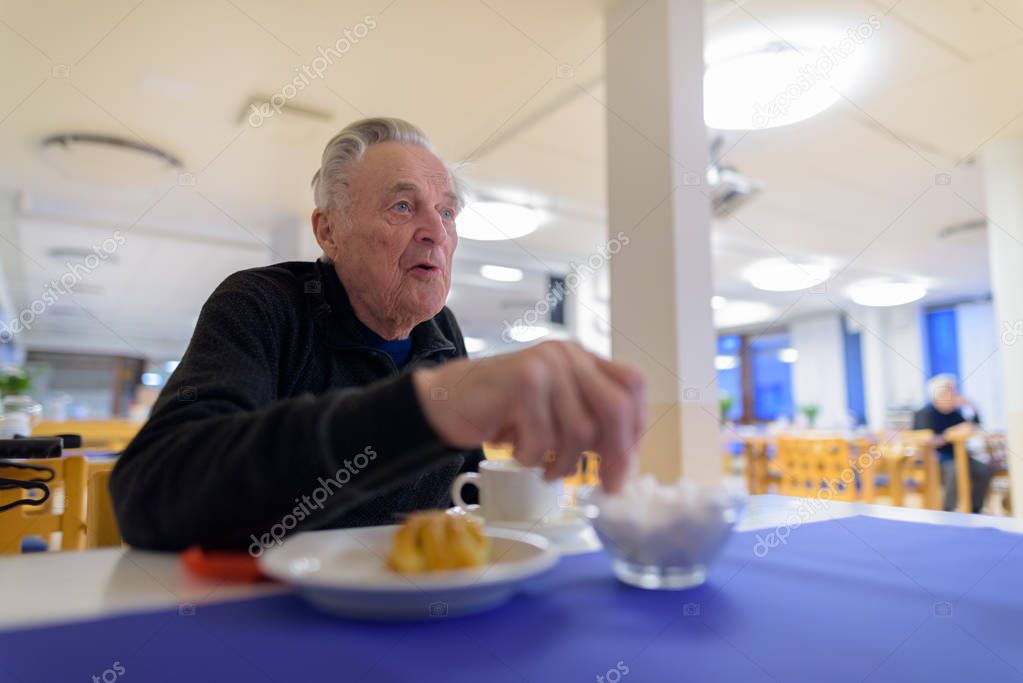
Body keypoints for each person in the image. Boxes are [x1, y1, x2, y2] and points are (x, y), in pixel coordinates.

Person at [110, 117, 645, 550]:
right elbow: (154, 489)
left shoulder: (441, 330)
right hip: (282, 614)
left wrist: (533, 498)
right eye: (402, 207)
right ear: (329, 231)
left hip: (426, 605)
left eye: (447, 212)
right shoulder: (260, 305)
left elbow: (468, 485)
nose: (436, 232)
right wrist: (430, 406)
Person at [912, 374, 991, 513]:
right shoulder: (924, 413)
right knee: (956, 469)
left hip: (961, 455)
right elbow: (924, 440)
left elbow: (975, 425)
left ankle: (974, 509)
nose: (954, 395)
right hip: (937, 458)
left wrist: (971, 405)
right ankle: (948, 510)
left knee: (984, 469)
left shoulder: (954, 413)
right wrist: (948, 435)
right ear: (939, 395)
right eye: (951, 392)